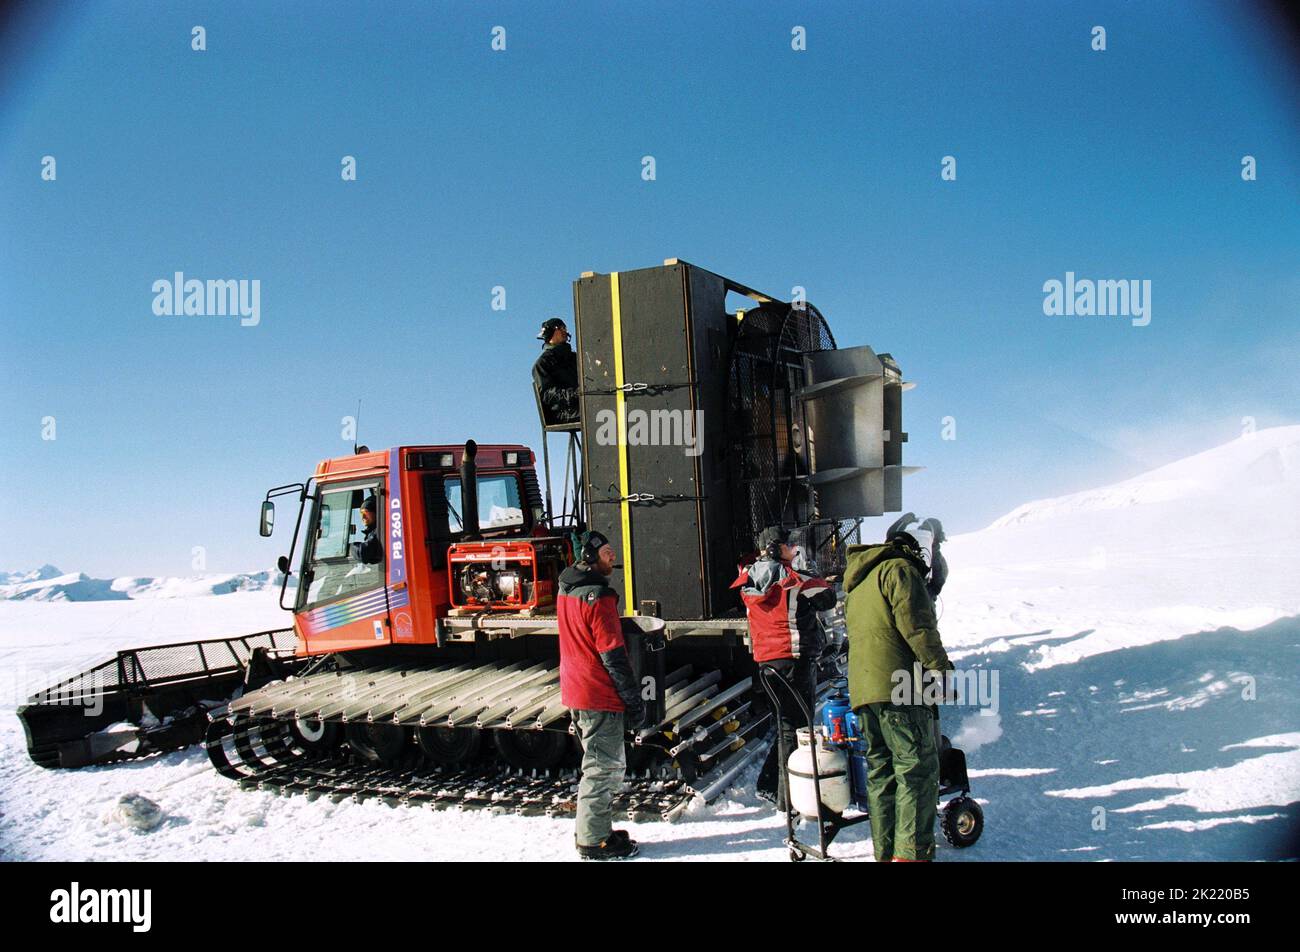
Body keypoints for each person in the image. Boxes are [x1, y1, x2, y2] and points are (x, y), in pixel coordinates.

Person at [842, 515, 953, 862]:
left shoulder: (860, 582)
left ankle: (886, 854)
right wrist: (941, 670)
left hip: (863, 692)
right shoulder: (901, 570)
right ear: (917, 550)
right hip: (899, 688)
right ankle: (910, 856)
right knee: (917, 769)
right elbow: (918, 627)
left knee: (881, 773)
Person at [732, 526, 837, 809]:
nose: (795, 549)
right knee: (797, 728)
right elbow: (828, 598)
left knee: (785, 725)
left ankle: (769, 785)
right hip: (795, 661)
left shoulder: (748, 578)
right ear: (776, 549)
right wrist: (814, 574)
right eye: (790, 545)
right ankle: (788, 800)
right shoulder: (797, 580)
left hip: (768, 663)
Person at [557, 529, 647, 860]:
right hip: (598, 693)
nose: (613, 556)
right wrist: (633, 700)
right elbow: (613, 654)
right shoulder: (600, 597)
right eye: (608, 552)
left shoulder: (568, 588)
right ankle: (593, 842)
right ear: (592, 557)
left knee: (597, 762)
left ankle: (598, 830)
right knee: (602, 768)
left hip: (576, 687)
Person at [532, 318, 580, 424]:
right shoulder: (543, 364)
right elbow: (548, 395)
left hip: (582, 404)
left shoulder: (574, 358)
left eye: (565, 328)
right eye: (561, 328)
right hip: (563, 412)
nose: (565, 331)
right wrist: (576, 394)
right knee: (603, 411)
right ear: (553, 331)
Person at [351, 495, 383, 564]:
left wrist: (351, 548)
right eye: (361, 514)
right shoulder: (374, 531)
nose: (363, 517)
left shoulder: (380, 531)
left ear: (376, 512)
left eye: (365, 513)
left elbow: (364, 553)